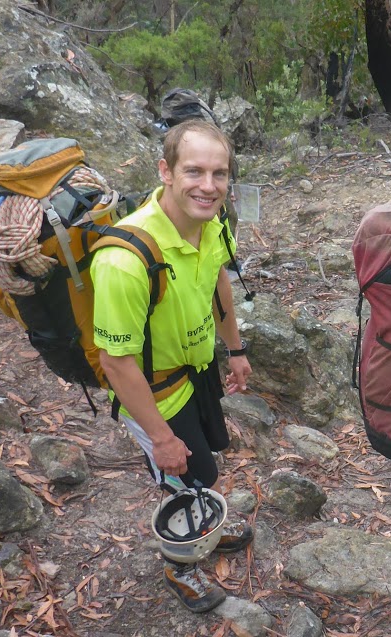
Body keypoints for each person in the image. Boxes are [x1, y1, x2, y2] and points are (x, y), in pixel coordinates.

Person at [91, 120, 254, 614]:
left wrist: (236, 348)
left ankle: (205, 522)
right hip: (153, 388)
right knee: (183, 473)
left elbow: (218, 281)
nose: (208, 186)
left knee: (203, 463)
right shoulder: (126, 259)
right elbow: (115, 362)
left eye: (219, 173)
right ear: (165, 171)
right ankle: (179, 565)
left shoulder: (213, 222)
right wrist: (160, 438)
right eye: (194, 171)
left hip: (195, 368)